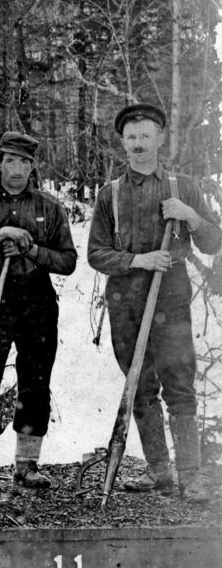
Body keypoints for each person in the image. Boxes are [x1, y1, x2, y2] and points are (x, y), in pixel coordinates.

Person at [87, 102, 221, 504]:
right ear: (123, 143)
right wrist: (137, 260)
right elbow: (96, 254)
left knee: (179, 383)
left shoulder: (183, 187)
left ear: (160, 138)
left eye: (146, 136)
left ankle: (191, 475)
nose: (139, 144)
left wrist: (191, 217)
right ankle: (159, 470)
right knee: (139, 385)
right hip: (125, 301)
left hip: (171, 297)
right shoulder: (110, 194)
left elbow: (214, 242)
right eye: (131, 137)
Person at [0, 132, 77, 490]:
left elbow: (68, 261)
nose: (17, 169)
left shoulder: (48, 207)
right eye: (10, 160)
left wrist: (32, 251)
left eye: (24, 162)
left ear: (33, 165)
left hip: (37, 303)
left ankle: (27, 464)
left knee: (35, 382)